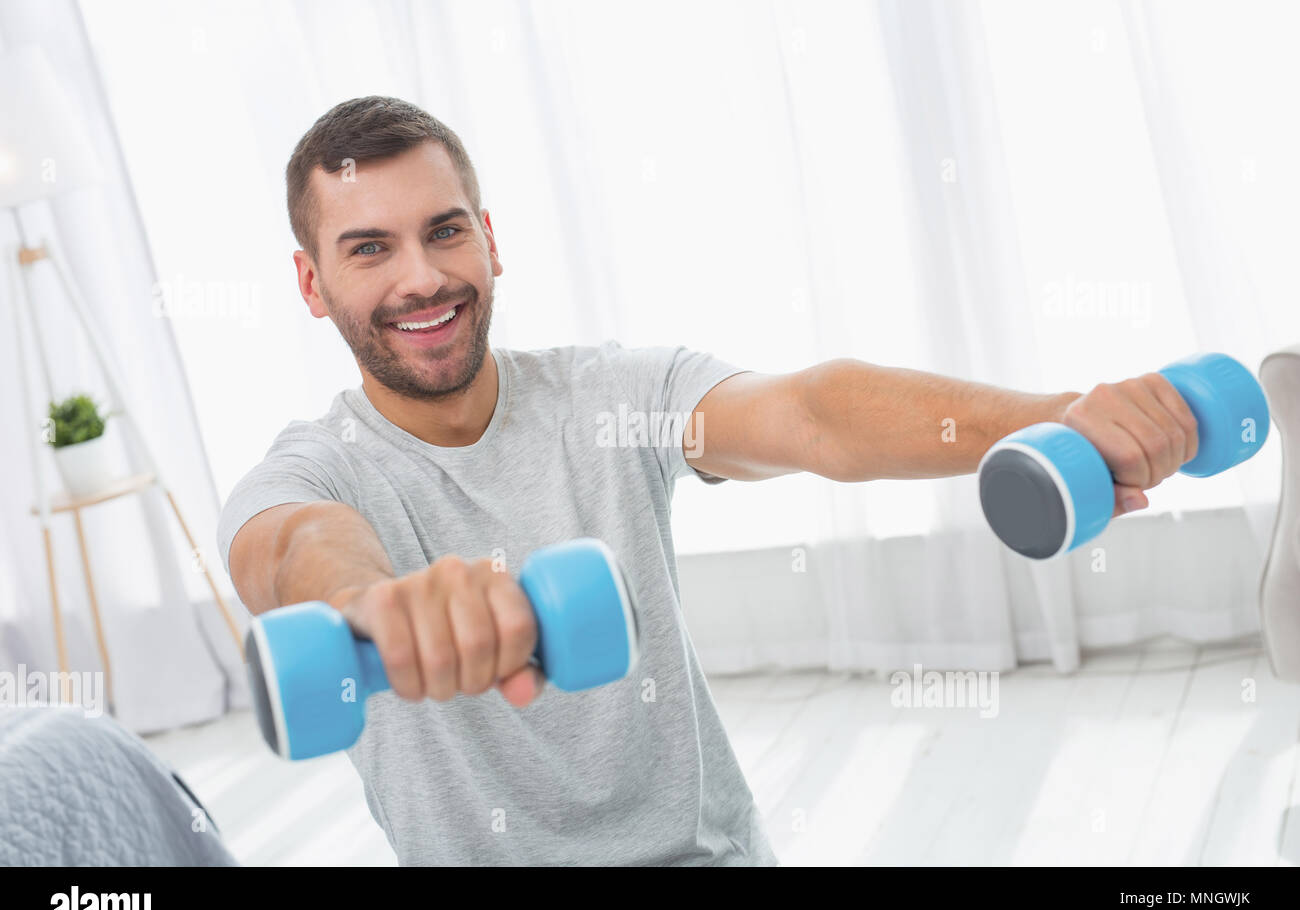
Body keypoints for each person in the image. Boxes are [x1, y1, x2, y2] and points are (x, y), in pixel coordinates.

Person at [219, 95, 1199, 866]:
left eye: (443, 232)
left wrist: (1061, 412)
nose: (422, 278)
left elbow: (813, 413)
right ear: (312, 283)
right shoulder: (315, 467)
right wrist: (378, 605)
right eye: (368, 248)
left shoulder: (612, 393)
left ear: (489, 238)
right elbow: (289, 547)